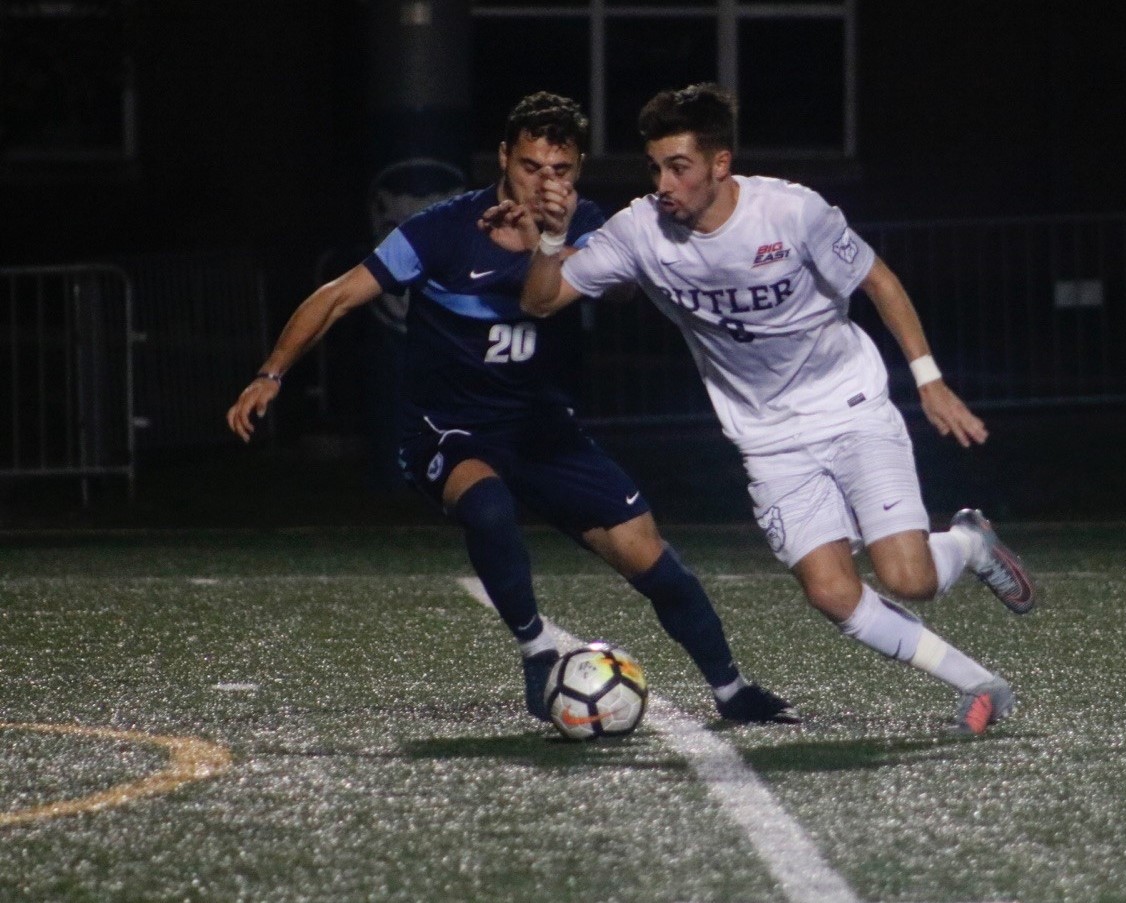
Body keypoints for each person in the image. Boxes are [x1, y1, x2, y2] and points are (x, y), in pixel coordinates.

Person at [226, 91, 796, 728]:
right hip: (450, 428)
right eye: (530, 166)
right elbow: (336, 297)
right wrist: (271, 373)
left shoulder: (591, 227)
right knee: (490, 508)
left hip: (544, 430)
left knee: (652, 559)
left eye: (561, 170)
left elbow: (624, 292)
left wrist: (549, 241)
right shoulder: (442, 230)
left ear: (578, 170)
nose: (545, 182)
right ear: (502, 158)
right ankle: (535, 653)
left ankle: (732, 689)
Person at [484, 83, 1035, 735]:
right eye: (655, 166)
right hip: (769, 441)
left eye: (679, 167)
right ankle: (980, 682)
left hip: (851, 408)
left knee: (907, 576)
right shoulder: (639, 231)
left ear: (721, 164)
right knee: (832, 593)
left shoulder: (791, 212)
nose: (663, 182)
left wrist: (928, 378)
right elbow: (541, 302)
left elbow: (879, 280)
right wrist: (550, 241)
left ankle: (968, 543)